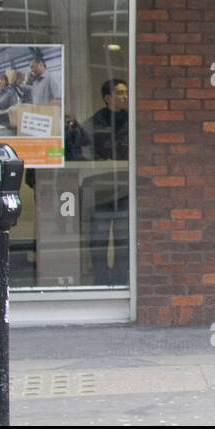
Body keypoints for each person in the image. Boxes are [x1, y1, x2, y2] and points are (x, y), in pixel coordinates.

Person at [80, 79, 129, 286]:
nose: (125, 97)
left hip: (125, 188)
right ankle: (101, 281)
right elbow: (84, 153)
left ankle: (119, 280)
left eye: (126, 92)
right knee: (98, 238)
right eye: (119, 93)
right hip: (100, 188)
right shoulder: (93, 124)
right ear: (107, 98)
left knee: (123, 238)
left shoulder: (134, 121)